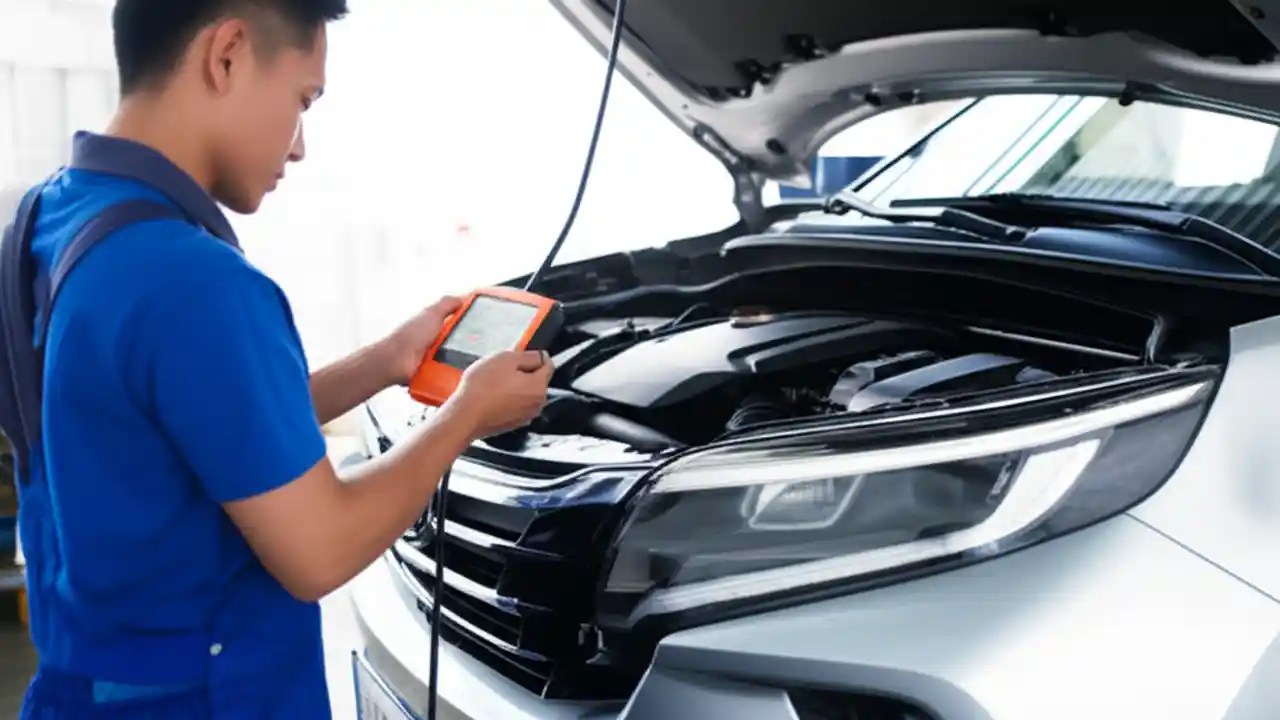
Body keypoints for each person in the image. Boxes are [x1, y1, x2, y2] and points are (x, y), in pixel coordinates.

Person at [8, 0, 553, 717]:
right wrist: (466, 417)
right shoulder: (193, 280)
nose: (299, 148)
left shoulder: (46, 220)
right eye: (303, 100)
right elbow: (320, 549)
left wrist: (386, 361)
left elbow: (194, 426)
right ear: (227, 54)